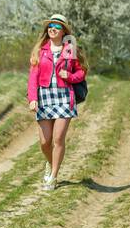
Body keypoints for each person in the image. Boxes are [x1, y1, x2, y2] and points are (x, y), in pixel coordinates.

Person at [26, 14, 86, 190]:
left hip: (64, 98)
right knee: (45, 142)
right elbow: (32, 78)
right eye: (50, 25)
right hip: (44, 98)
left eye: (57, 26)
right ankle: (50, 163)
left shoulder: (69, 49)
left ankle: (53, 177)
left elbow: (82, 72)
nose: (52, 28)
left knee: (58, 138)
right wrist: (32, 99)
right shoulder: (40, 50)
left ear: (63, 31)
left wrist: (71, 76)